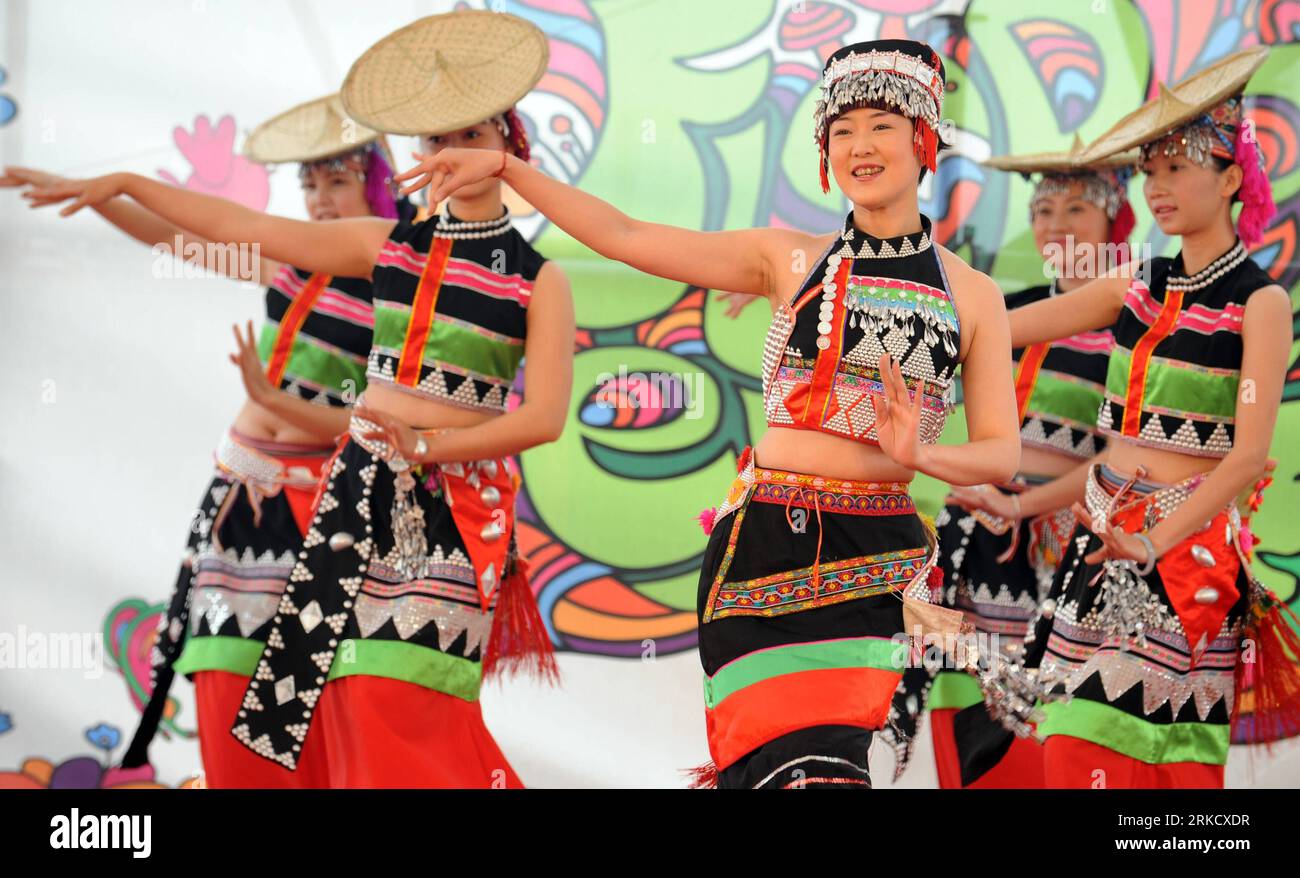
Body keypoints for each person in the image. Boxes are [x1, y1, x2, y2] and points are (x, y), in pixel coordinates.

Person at [397, 37, 1021, 789]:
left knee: (828, 769)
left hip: (872, 561)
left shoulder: (974, 296)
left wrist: (925, 457)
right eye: (843, 128)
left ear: (923, 138)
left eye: (882, 125)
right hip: (763, 549)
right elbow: (626, 238)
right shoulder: (787, 259)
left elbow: (999, 456)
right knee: (770, 767)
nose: (861, 145)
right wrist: (505, 167)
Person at [23, 11, 573, 788]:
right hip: (351, 498)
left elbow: (542, 418)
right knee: (326, 706)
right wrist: (123, 184)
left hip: (447, 510)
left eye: (471, 136)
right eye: (433, 141)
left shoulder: (538, 276)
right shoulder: (389, 248)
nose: (449, 155)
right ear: (416, 158)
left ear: (514, 149)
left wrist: (428, 448)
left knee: (405, 702)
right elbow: (235, 226)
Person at [5, 92, 400, 787]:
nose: (320, 200)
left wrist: (277, 401)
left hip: (324, 510)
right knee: (221, 670)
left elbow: (386, 427)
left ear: (376, 184)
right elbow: (178, 239)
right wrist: (95, 196)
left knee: (307, 697)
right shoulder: (288, 264)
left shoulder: (400, 285)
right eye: (309, 184)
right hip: (243, 492)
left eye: (337, 181)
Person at [983, 45, 1299, 788]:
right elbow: (1000, 325)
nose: (1156, 186)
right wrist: (852, 287)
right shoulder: (1135, 284)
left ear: (1230, 177)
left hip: (1181, 556)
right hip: (1102, 543)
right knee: (1066, 749)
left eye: (1177, 168)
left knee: (1158, 770)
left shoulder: (1261, 303)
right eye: (1148, 171)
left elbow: (1248, 457)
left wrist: (1153, 542)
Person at [927, 140, 1134, 788]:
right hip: (978, 543)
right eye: (1043, 209)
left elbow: (1123, 458)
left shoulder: (1136, 324)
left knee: (1057, 722)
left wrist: (1033, 507)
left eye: (1077, 207)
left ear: (1116, 219)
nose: (1056, 224)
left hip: (1071, 543)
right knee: (966, 707)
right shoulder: (1003, 306)